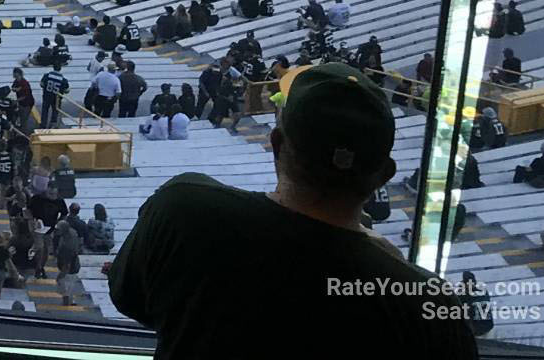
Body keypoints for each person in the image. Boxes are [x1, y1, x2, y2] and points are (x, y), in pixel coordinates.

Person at [108, 61, 476, 356]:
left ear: (276, 144)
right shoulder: (425, 303)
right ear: (384, 174)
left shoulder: (184, 208)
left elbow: (130, 298)